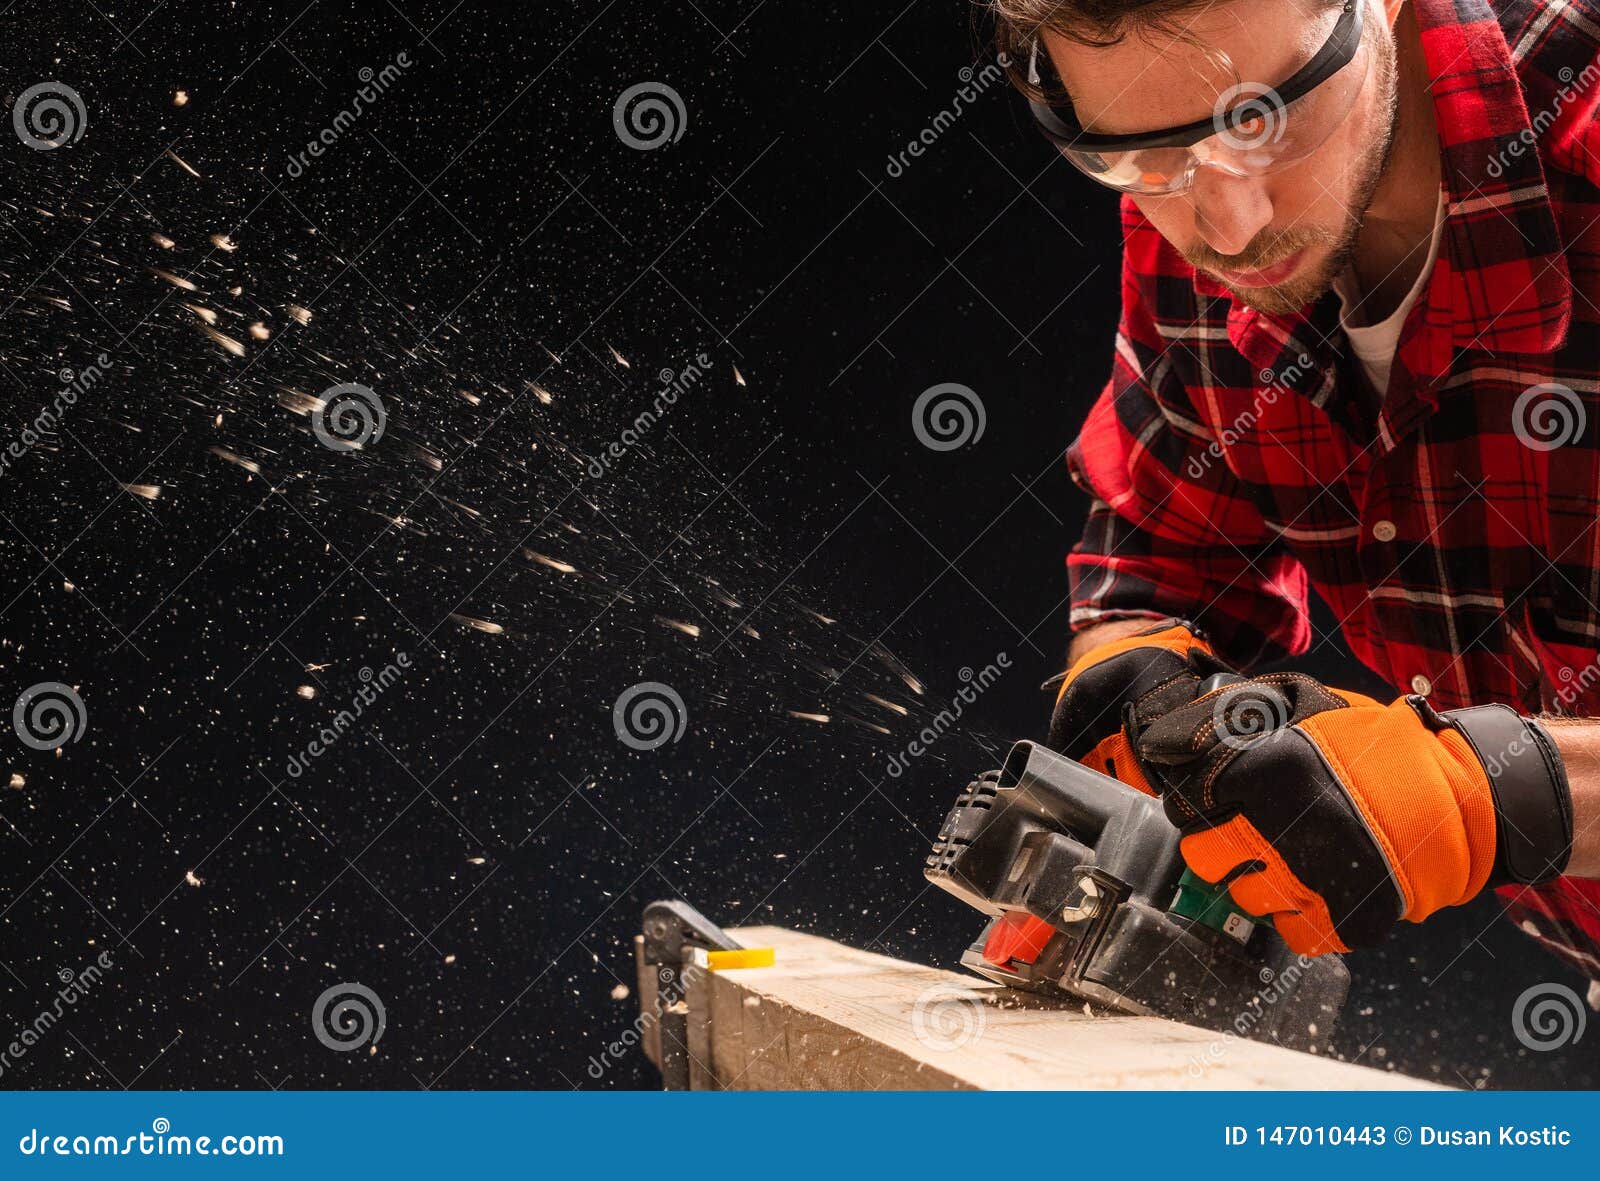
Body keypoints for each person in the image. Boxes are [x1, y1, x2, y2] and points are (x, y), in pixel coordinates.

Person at [1002, 0, 1600, 975]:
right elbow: (1155, 568)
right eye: (1138, 159)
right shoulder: (1195, 215)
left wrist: (1506, 789)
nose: (1226, 228)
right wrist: (1141, 679)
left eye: (1262, 120)